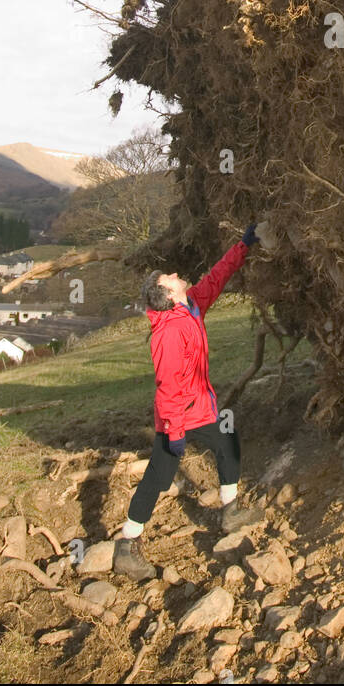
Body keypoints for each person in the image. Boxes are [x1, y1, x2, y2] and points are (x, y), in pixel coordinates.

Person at [113, 225, 260, 580]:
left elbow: (217, 277)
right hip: (178, 417)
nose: (178, 275)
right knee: (159, 477)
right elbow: (167, 387)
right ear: (167, 292)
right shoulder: (166, 332)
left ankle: (231, 510)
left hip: (200, 409)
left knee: (228, 441)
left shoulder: (191, 305)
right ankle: (126, 546)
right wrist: (175, 433)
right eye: (171, 277)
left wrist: (243, 245)